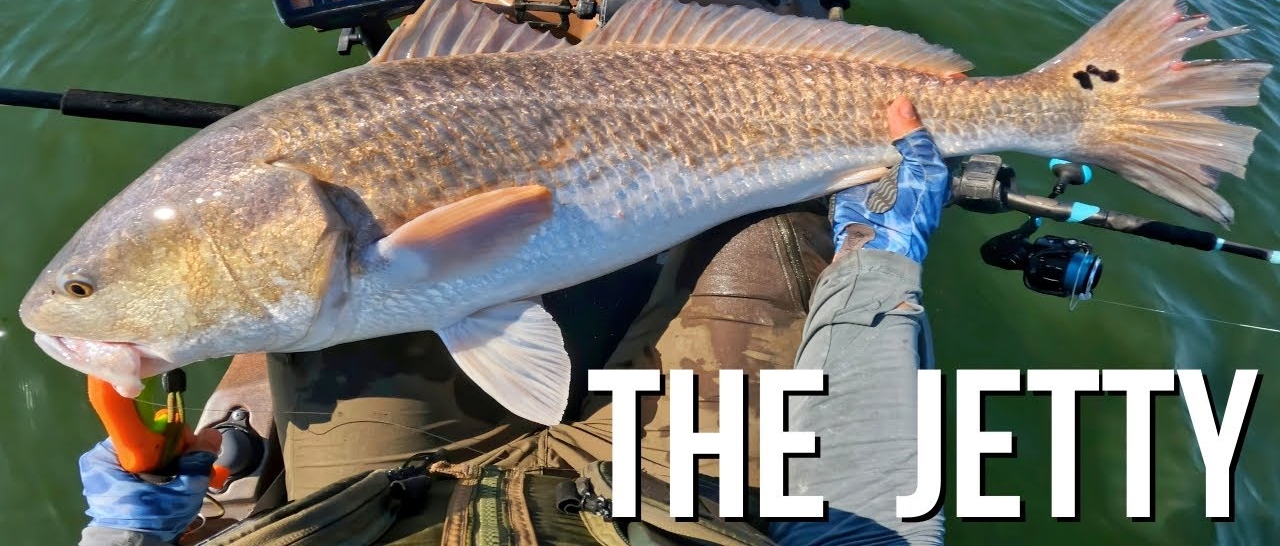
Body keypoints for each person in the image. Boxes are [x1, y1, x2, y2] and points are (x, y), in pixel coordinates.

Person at [77, 96, 948, 546]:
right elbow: (876, 519)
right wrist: (880, 259)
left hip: (363, 506)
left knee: (297, 306)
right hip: (669, 507)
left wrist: (145, 518)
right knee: (772, 231)